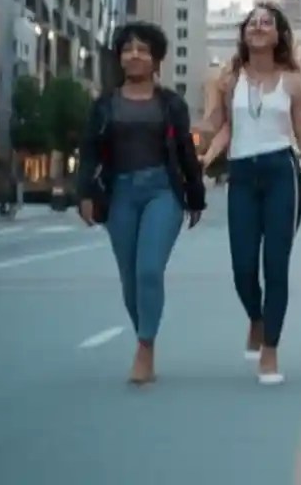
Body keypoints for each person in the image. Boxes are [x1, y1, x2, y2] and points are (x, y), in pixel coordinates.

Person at [199, 2, 301, 385]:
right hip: (242, 175)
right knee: (243, 268)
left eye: (267, 22)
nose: (259, 27)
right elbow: (223, 127)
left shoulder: (294, 81)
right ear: (244, 34)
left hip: (282, 173)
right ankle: (257, 319)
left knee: (276, 265)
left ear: (278, 34)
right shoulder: (228, 79)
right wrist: (206, 154)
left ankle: (270, 351)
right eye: (253, 23)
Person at [75, 22, 206, 385]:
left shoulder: (170, 104)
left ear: (156, 59)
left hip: (162, 191)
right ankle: (143, 334)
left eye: (143, 50)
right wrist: (84, 193)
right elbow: (88, 151)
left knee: (149, 270)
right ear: (119, 57)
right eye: (128, 49)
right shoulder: (105, 104)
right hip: (120, 194)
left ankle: (144, 347)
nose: (135, 55)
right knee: (130, 279)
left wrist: (195, 196)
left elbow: (185, 151)